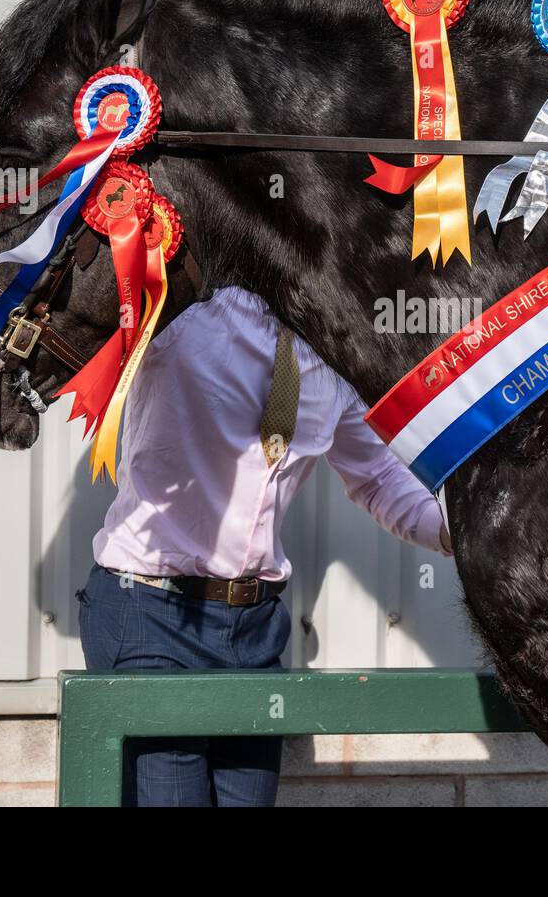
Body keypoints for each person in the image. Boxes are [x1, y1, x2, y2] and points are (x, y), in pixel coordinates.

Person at [77, 286, 448, 807]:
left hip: (252, 629)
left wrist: (455, 532)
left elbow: (379, 476)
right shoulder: (181, 307)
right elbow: (76, 316)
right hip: (151, 614)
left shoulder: (333, 349)